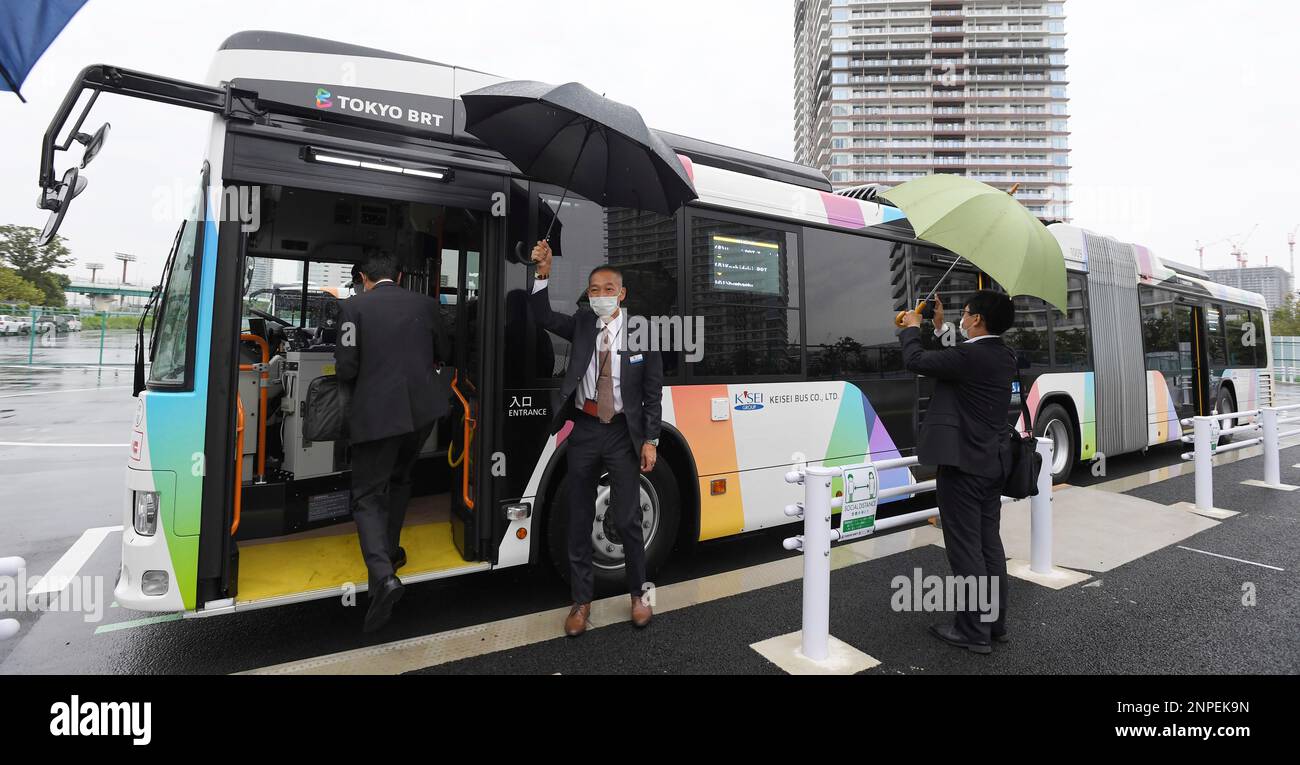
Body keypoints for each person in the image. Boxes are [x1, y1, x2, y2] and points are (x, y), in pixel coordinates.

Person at [528, 239, 664, 637]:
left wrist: (650, 439)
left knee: (627, 517)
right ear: (588, 296)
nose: (601, 296)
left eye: (608, 289)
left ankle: (639, 595)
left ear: (622, 294)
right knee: (579, 517)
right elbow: (541, 315)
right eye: (594, 290)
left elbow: (653, 393)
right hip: (585, 430)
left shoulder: (643, 332)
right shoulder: (583, 323)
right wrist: (543, 273)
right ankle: (581, 602)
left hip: (624, 433)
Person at [335, 249, 451, 632]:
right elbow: (442, 352)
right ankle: (393, 550)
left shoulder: (354, 309)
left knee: (367, 495)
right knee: (400, 480)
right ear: (399, 277)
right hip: (420, 415)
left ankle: (383, 577)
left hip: (377, 416)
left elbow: (346, 366)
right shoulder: (428, 305)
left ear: (364, 278)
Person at [897, 290, 1017, 654]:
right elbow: (949, 359)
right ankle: (993, 623)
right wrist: (937, 326)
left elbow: (917, 360)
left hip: (963, 467)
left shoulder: (970, 356)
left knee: (965, 550)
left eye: (965, 314)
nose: (961, 320)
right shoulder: (1002, 354)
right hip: (991, 465)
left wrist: (912, 328)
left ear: (978, 320)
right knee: (988, 546)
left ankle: (972, 631)